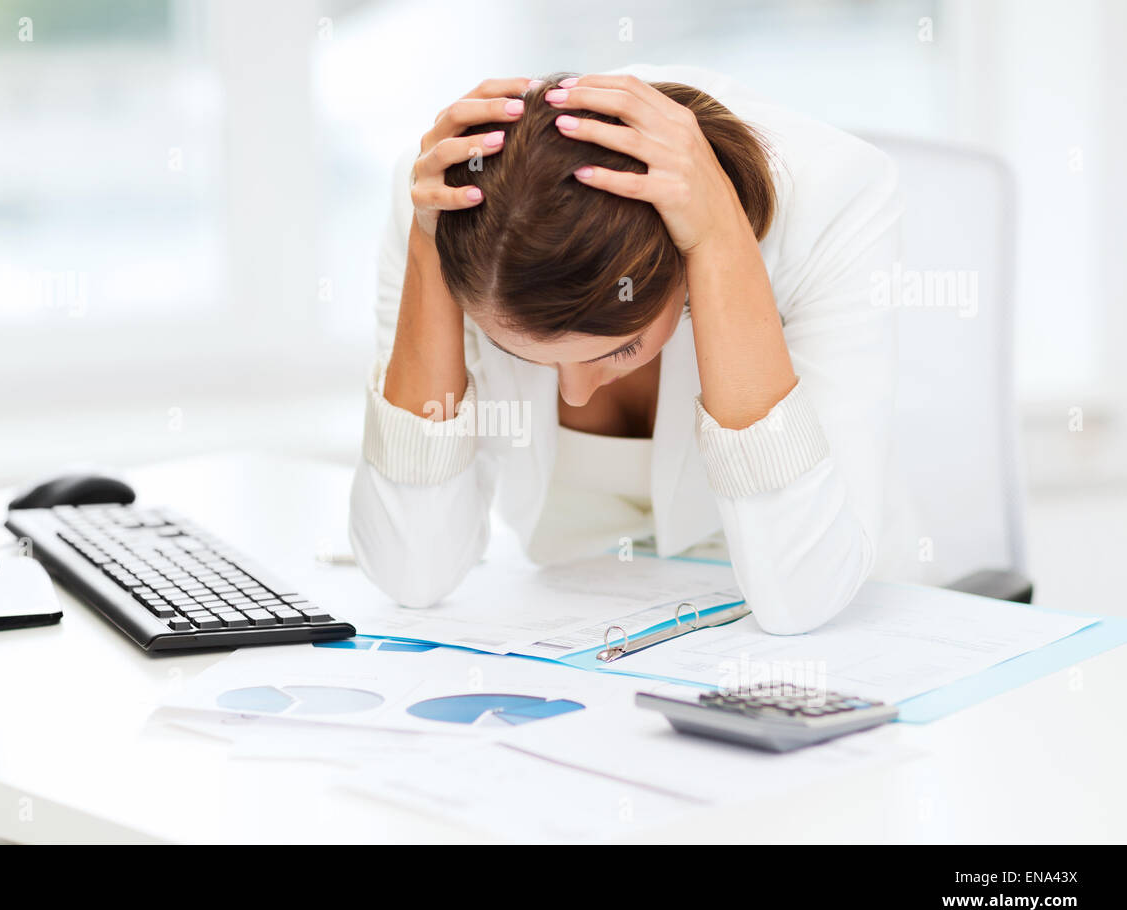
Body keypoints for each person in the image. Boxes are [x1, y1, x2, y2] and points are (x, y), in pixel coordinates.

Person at [349, 64, 919, 635]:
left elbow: (803, 597)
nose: (572, 393)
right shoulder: (447, 195)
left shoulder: (835, 198)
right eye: (522, 354)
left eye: (620, 349)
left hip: (833, 636)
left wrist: (720, 241)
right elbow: (410, 574)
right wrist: (428, 245)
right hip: (575, 626)